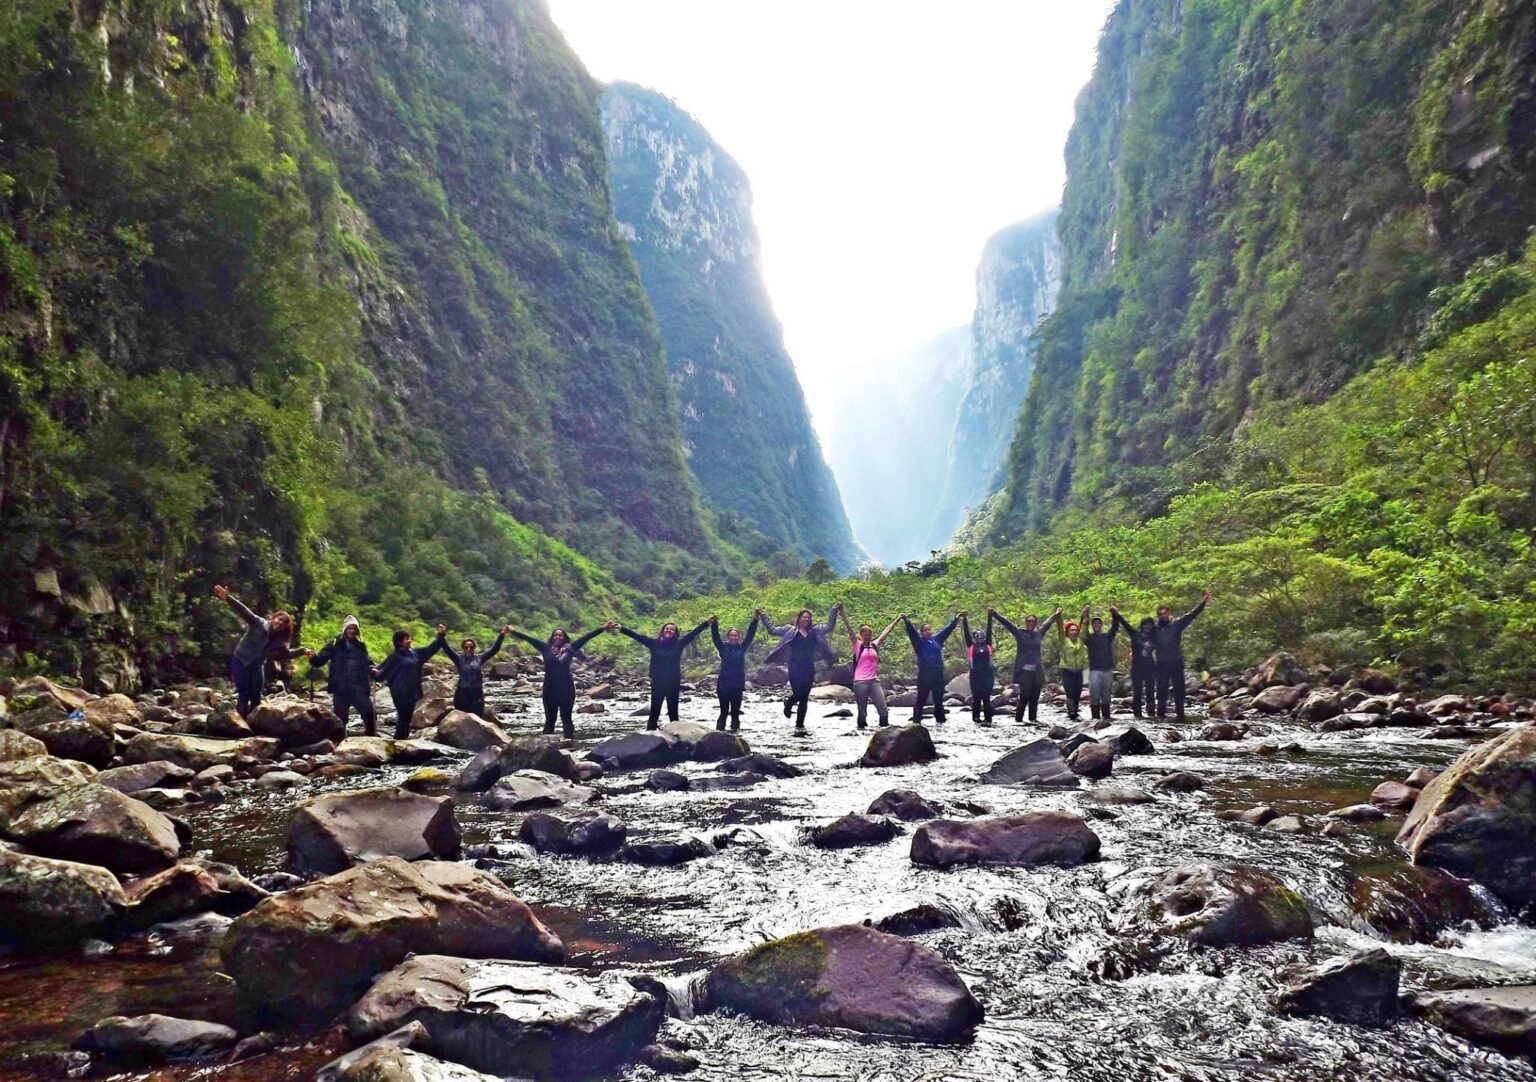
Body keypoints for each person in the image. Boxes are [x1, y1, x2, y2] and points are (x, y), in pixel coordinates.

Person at [212, 584, 311, 718]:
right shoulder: (258, 623)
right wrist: (228, 598)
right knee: (244, 693)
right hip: (240, 661)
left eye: (283, 624)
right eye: (279, 619)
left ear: (284, 629)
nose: (280, 623)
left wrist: (303, 651)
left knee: (256, 697)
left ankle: (254, 725)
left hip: (256, 667)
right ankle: (240, 726)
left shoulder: (279, 642)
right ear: (274, 617)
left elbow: (286, 654)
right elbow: (244, 611)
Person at [510, 623, 615, 737]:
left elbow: (586, 637)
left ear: (565, 638)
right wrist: (512, 631)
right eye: (555, 635)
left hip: (567, 689)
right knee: (550, 721)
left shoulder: (570, 649)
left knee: (567, 720)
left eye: (561, 636)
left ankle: (569, 747)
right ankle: (547, 749)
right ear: (552, 637)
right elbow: (528, 638)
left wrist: (602, 628)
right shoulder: (545, 648)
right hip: (550, 689)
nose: (558, 637)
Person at [760, 605, 842, 734]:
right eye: (804, 617)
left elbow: (829, 627)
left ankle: (800, 725)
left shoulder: (815, 631)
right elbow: (772, 630)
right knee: (799, 693)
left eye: (808, 618)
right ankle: (789, 703)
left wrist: (833, 611)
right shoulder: (789, 630)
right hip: (794, 666)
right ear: (799, 619)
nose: (806, 619)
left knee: (804, 697)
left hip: (808, 666)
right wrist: (763, 616)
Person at [618, 619, 710, 729]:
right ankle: (650, 735)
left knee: (673, 710)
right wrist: (621, 628)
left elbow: (693, 634)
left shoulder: (679, 644)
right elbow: (637, 636)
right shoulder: (654, 643)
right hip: (658, 681)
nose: (669, 630)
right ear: (662, 631)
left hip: (673, 681)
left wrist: (706, 624)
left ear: (675, 633)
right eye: (667, 628)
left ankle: (676, 735)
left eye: (672, 629)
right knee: (655, 710)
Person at [989, 606, 1062, 722]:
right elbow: (1008, 624)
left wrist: (1056, 614)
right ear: (1026, 622)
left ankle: (1033, 721)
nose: (1031, 623)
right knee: (1024, 697)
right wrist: (995, 614)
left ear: (1035, 623)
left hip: (1037, 672)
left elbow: (1048, 623)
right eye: (1029, 621)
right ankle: (1019, 721)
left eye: (1033, 621)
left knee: (1034, 698)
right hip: (1024, 672)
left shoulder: (1039, 633)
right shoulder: (1020, 633)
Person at [374, 624, 446, 739]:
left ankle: (402, 740)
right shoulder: (394, 657)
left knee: (407, 719)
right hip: (400, 693)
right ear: (399, 642)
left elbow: (431, 649)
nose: (410, 641)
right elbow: (381, 674)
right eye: (406, 639)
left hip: (412, 692)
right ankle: (399, 741)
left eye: (409, 638)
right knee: (403, 717)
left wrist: (441, 636)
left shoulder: (415, 654)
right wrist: (372, 672)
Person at [309, 615, 375, 735]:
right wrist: (313, 658)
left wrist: (372, 669)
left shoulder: (361, 646)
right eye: (349, 628)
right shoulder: (334, 644)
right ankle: (340, 743)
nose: (352, 631)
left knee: (369, 713)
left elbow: (368, 663)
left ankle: (371, 739)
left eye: (354, 628)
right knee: (340, 718)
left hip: (358, 686)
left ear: (357, 631)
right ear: (344, 629)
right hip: (340, 687)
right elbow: (319, 661)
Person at [1153, 591, 1211, 720]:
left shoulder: (1177, 624)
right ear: (1158, 615)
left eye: (1165, 613)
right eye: (1160, 614)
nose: (1163, 616)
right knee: (1161, 690)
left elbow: (1192, 615)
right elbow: (1145, 639)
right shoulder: (1154, 628)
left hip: (1176, 661)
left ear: (1168, 613)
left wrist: (1203, 602)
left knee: (1179, 689)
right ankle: (1160, 715)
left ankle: (1180, 714)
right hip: (1162, 663)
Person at [841, 610, 900, 729]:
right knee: (862, 712)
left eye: (869, 635)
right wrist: (842, 613)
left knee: (883, 710)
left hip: (874, 682)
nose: (867, 637)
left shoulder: (874, 645)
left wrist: (897, 619)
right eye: (865, 635)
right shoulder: (858, 645)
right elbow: (849, 629)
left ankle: (884, 733)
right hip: (860, 683)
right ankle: (861, 734)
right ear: (861, 636)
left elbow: (886, 632)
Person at [901, 612, 961, 725]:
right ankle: (916, 723)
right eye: (926, 630)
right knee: (921, 700)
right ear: (922, 633)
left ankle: (941, 722)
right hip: (925, 675)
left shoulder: (936, 640)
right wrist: (907, 621)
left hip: (937, 675)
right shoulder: (919, 643)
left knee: (938, 700)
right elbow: (912, 633)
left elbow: (946, 631)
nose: (928, 632)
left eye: (930, 630)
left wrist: (956, 619)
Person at [440, 626, 509, 718]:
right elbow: (446, 648)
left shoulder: (479, 658)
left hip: (476, 694)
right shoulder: (458, 658)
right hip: (462, 694)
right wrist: (441, 634)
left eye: (471, 647)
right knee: (461, 721)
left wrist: (502, 634)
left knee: (477, 719)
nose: (468, 649)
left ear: (474, 648)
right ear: (463, 648)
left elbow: (494, 649)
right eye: (466, 647)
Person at [710, 615, 758, 731]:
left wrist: (755, 620)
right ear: (728, 637)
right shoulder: (723, 648)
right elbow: (715, 637)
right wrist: (714, 624)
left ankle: (736, 737)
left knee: (735, 713)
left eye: (735, 635)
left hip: (737, 685)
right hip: (724, 685)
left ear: (739, 637)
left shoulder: (742, 647)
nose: (733, 637)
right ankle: (719, 736)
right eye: (731, 635)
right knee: (724, 713)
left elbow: (750, 635)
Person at [1110, 608, 1157, 719]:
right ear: (1142, 625)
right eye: (1145, 625)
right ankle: (1137, 715)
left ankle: (1151, 715)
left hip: (1150, 667)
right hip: (1137, 667)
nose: (1147, 627)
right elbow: (1125, 624)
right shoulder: (1135, 634)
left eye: (1149, 625)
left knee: (1150, 691)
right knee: (1137, 692)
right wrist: (1116, 614)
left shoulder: (1154, 637)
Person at [1082, 607, 1120, 720]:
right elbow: (1082, 630)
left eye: (1099, 622)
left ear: (1101, 625)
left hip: (1107, 669)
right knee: (1094, 695)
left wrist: (1115, 615)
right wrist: (1084, 616)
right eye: (1094, 623)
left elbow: (1115, 627)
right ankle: (1095, 719)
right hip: (1094, 670)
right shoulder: (1089, 638)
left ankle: (1107, 719)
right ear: (1092, 625)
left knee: (1106, 695)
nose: (1097, 624)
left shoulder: (1107, 637)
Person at [962, 612, 996, 723]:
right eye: (978, 637)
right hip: (975, 676)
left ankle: (988, 718)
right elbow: (966, 632)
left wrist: (990, 616)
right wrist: (964, 618)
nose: (980, 639)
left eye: (981, 637)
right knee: (976, 699)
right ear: (975, 638)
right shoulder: (971, 646)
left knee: (986, 698)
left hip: (987, 676)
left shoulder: (988, 645)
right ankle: (976, 719)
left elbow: (989, 629)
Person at [1057, 613, 1090, 721]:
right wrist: (1059, 616)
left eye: (1076, 630)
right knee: (1070, 693)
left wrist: (1086, 615)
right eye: (1072, 630)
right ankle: (1072, 712)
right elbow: (1060, 628)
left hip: (1078, 671)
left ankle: (1075, 711)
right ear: (1067, 631)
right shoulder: (1064, 640)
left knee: (1077, 693)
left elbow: (1084, 628)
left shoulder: (1080, 640)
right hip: (1067, 671)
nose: (1074, 632)